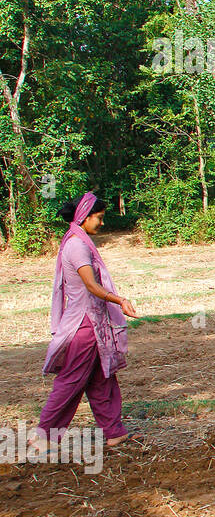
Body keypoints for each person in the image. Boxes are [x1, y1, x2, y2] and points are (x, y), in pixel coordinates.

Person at [30, 192, 138, 454]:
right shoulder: (77, 246)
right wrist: (119, 300)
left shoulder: (78, 241)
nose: (102, 223)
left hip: (90, 322)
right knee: (71, 380)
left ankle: (114, 432)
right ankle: (43, 436)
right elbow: (91, 285)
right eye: (99, 218)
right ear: (85, 217)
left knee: (102, 378)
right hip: (84, 326)